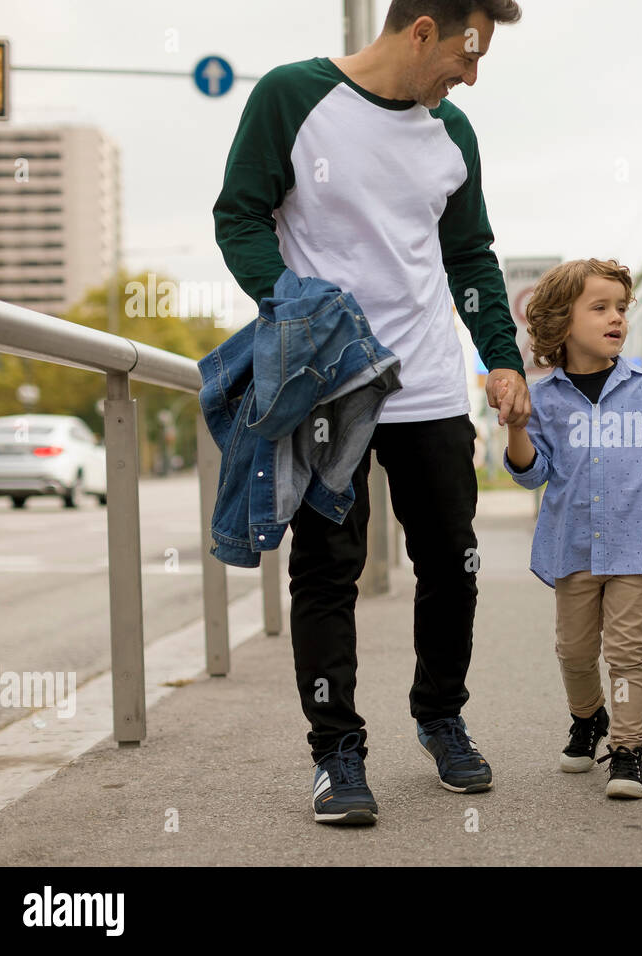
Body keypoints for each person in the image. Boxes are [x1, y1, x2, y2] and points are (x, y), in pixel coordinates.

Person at [212, 0, 528, 826]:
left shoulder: (451, 134)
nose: (471, 73)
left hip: (426, 388)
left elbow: (469, 256)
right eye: (468, 53)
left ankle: (440, 715)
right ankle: (336, 753)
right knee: (326, 571)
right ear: (421, 29)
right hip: (328, 389)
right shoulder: (291, 97)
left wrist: (500, 356)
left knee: (452, 563)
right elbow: (238, 215)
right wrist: (294, 302)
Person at [502, 259, 642, 799]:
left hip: (637, 545)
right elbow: (530, 474)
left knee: (627, 651)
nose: (616, 318)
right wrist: (518, 428)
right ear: (563, 323)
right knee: (573, 650)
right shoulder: (543, 398)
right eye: (600, 307)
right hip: (573, 547)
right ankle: (588, 719)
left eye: (620, 308)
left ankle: (628, 751)